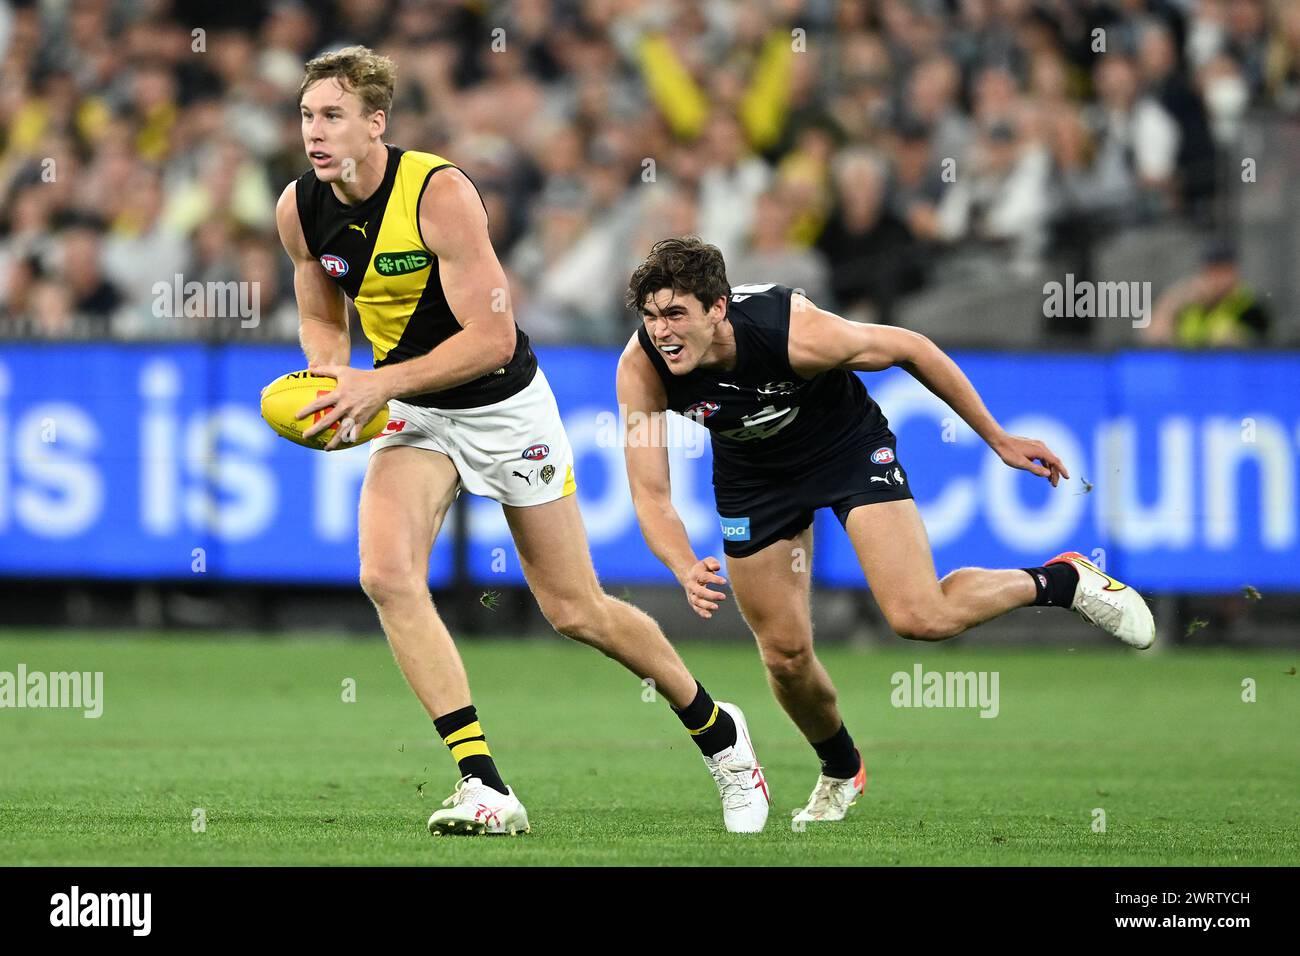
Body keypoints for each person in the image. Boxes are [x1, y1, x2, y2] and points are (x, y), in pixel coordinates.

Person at [275, 48, 769, 836]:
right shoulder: (298, 209)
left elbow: (494, 338)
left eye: (333, 115)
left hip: (503, 406)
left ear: (377, 123)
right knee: (386, 574)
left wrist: (378, 384)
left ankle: (720, 733)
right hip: (415, 409)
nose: (314, 131)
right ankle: (483, 784)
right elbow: (321, 314)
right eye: (306, 115)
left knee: (576, 610)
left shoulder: (438, 193)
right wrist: (332, 378)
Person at [617, 236, 1156, 825]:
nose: (662, 332)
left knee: (920, 618)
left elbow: (912, 348)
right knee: (786, 657)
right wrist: (680, 564)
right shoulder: (642, 367)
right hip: (754, 479)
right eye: (650, 315)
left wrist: (997, 437)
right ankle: (841, 769)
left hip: (845, 449)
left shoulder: (793, 332)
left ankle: (1063, 580)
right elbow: (649, 492)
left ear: (717, 308)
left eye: (676, 314)